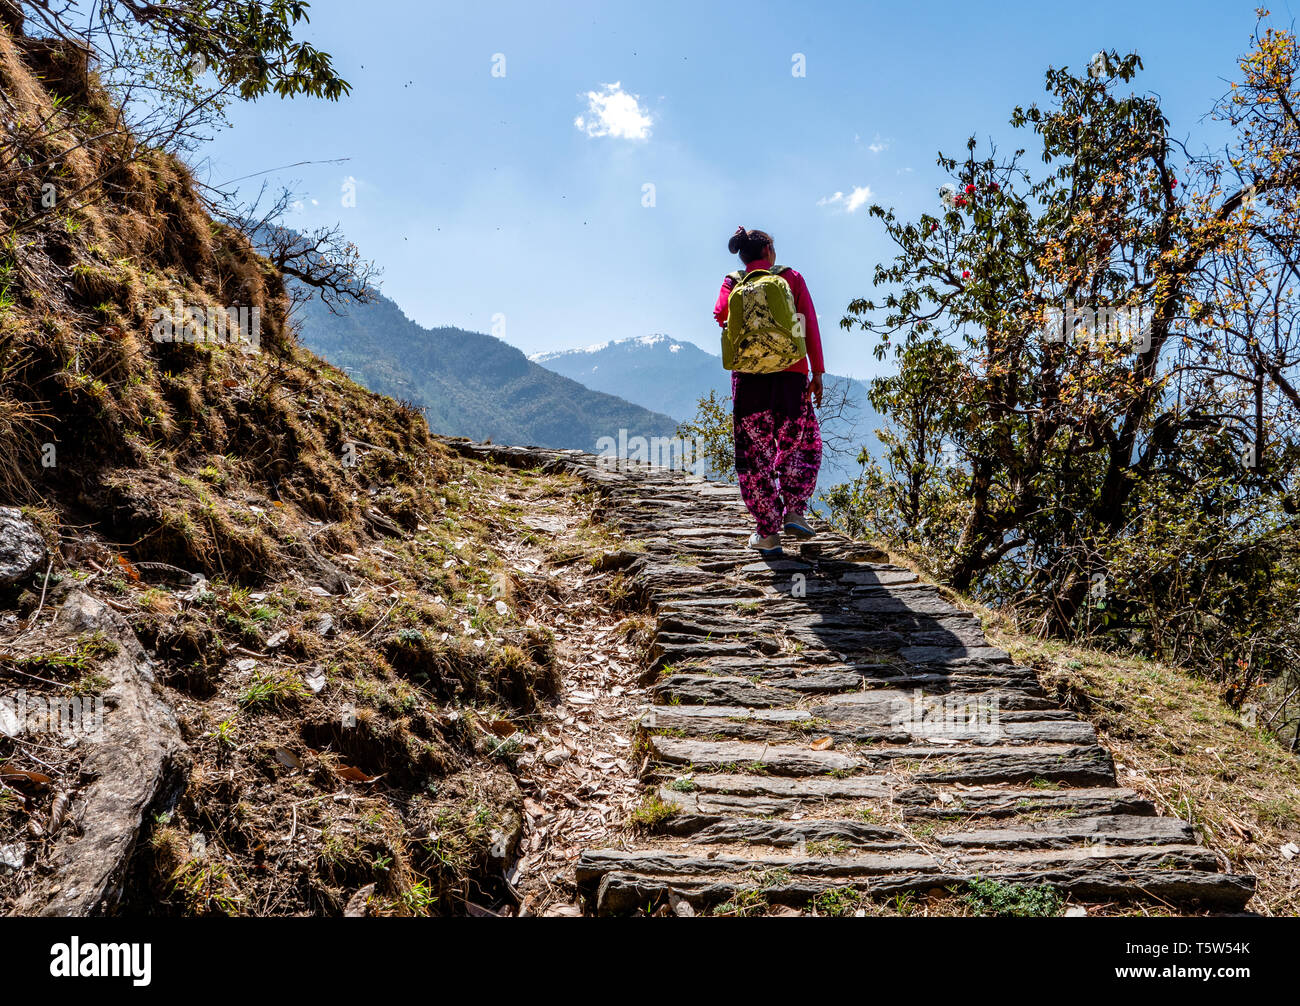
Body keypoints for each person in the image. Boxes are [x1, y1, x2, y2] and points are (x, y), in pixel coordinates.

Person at [712, 226, 824, 557]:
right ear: (770, 253)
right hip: (791, 377)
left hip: (749, 382)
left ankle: (767, 531)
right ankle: (794, 511)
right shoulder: (791, 278)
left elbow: (720, 314)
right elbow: (809, 323)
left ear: (743, 256)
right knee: (801, 444)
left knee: (753, 455)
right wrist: (816, 371)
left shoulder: (733, 281)